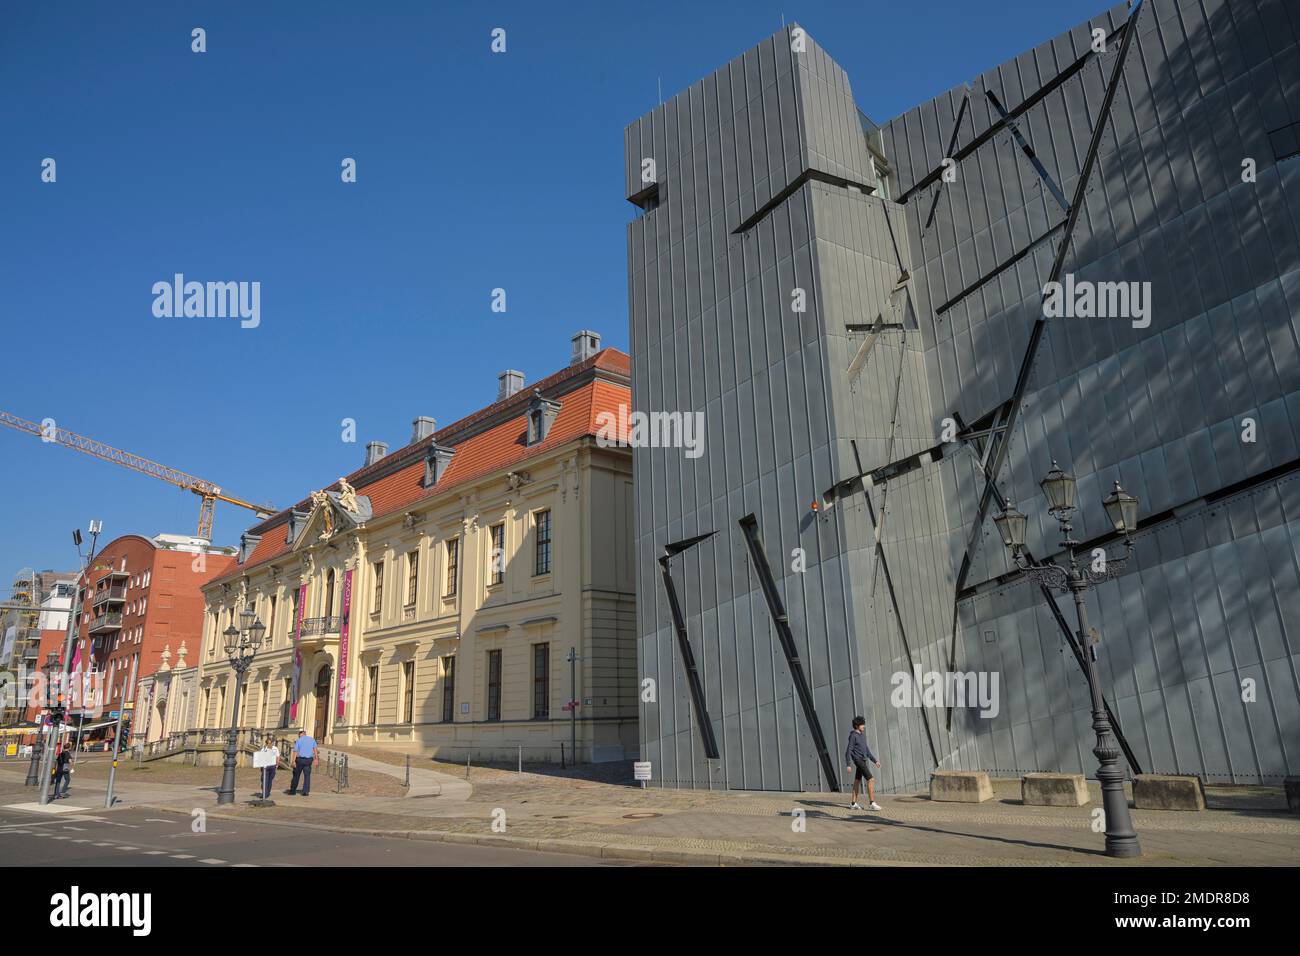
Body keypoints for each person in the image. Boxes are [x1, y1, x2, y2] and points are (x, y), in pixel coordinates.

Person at [844, 715, 882, 811]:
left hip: (863, 760)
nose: (864, 726)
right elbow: (848, 750)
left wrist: (875, 761)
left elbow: (867, 751)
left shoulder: (861, 736)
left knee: (857, 781)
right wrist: (848, 764)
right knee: (871, 779)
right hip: (858, 760)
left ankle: (853, 803)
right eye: (862, 725)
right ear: (857, 726)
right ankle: (872, 803)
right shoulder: (853, 736)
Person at [287, 730, 317, 796]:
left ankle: (293, 790)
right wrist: (316, 759)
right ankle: (305, 791)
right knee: (307, 776)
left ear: (301, 734)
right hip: (308, 760)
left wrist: (293, 761)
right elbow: (315, 749)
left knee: (296, 775)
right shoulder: (312, 739)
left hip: (300, 760)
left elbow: (295, 751)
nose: (299, 736)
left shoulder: (299, 740)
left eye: (299, 735)